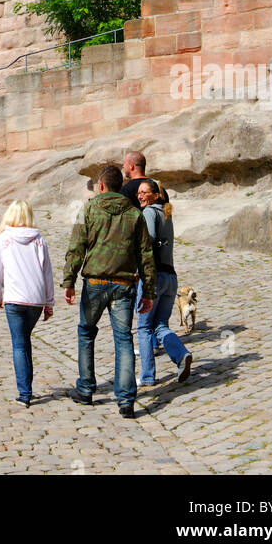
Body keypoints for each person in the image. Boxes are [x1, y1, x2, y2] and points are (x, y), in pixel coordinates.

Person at [62, 164, 155, 418]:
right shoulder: (135, 214)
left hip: (94, 283)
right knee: (123, 339)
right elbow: (146, 255)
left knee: (86, 333)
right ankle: (126, 401)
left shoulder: (89, 209)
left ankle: (86, 389)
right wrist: (148, 291)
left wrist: (68, 281)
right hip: (124, 285)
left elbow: (77, 246)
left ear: (101, 186)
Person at [0, 199, 54, 407]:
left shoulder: (3, 240)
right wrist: (49, 302)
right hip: (36, 299)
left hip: (15, 299)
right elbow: (48, 273)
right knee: (24, 341)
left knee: (19, 344)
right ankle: (27, 387)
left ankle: (24, 393)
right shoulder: (39, 240)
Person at [136, 179, 193, 386]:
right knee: (160, 325)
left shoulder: (150, 212)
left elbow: (148, 237)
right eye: (139, 192)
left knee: (143, 328)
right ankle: (181, 355)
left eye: (144, 192)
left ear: (155, 196)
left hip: (154, 278)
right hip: (171, 278)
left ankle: (148, 376)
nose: (140, 195)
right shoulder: (166, 215)